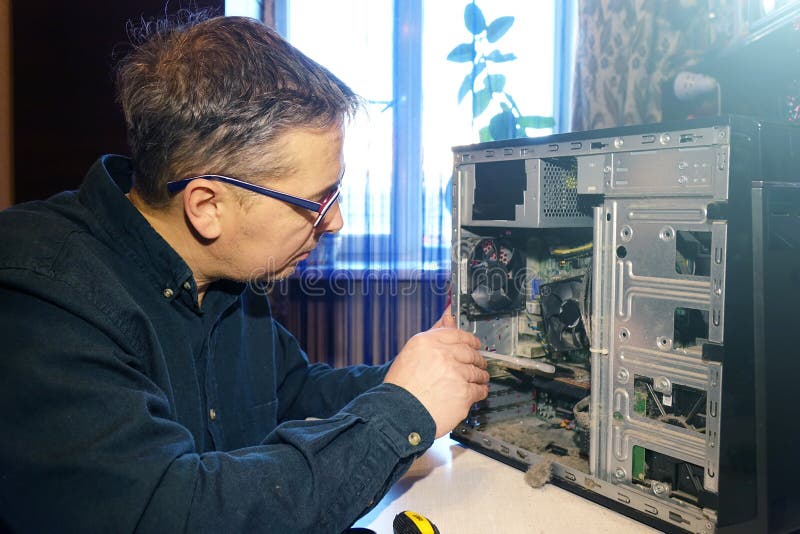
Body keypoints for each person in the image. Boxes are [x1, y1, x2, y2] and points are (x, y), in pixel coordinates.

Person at [0, 13, 489, 533]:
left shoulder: (230, 274)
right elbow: (174, 513)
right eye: (318, 201)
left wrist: (427, 376)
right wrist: (400, 412)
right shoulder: (41, 298)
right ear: (207, 206)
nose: (337, 221)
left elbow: (293, 394)